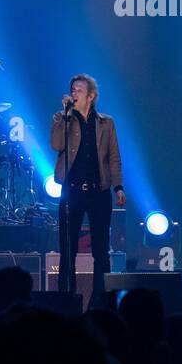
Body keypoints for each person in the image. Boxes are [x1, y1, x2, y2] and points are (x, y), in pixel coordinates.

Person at [50, 74, 126, 303]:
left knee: (101, 251)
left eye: (79, 90)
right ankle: (66, 298)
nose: (73, 93)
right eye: (72, 89)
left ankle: (101, 300)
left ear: (91, 96)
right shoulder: (62, 118)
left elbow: (114, 157)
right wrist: (64, 117)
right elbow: (56, 145)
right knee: (68, 249)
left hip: (99, 191)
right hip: (71, 191)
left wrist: (118, 187)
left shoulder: (106, 122)